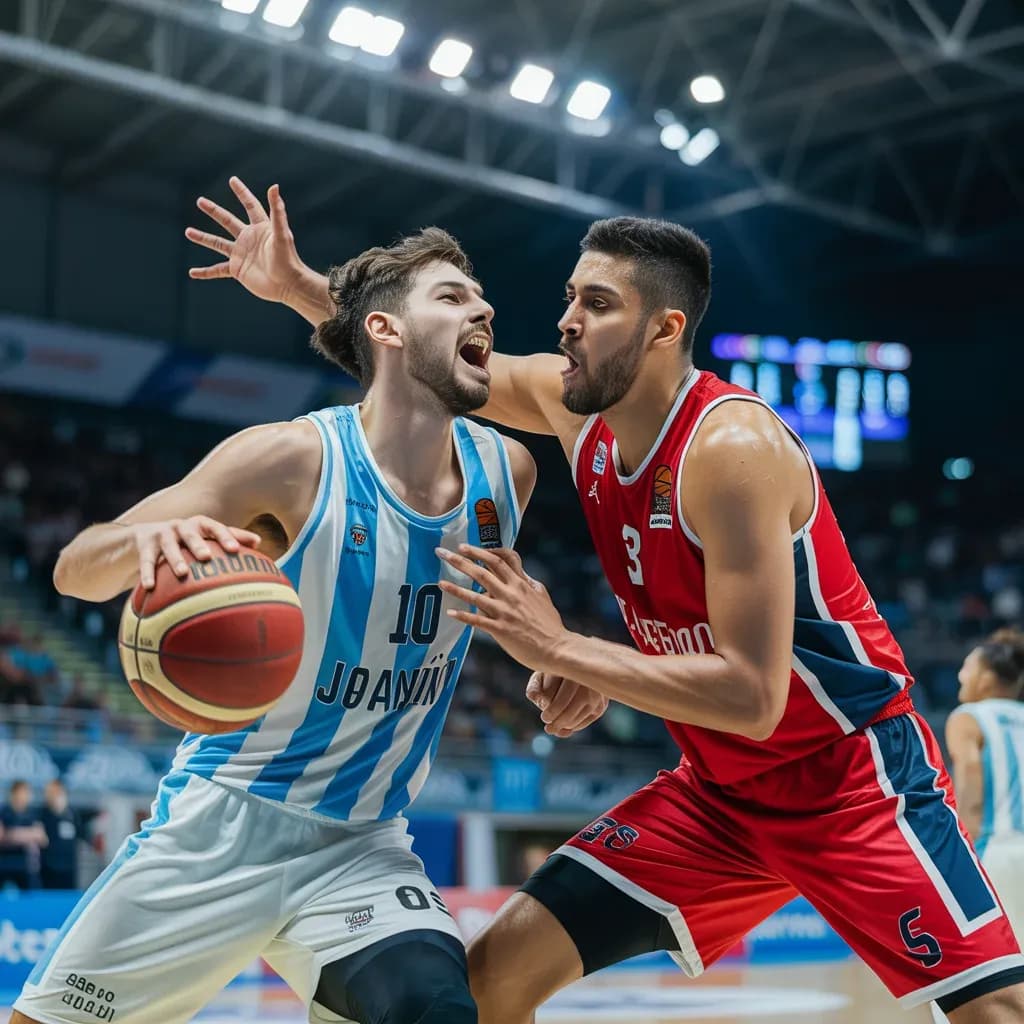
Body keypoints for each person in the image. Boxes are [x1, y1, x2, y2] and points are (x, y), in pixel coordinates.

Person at [202, 177, 1024, 1022]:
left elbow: (751, 695)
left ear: (666, 329)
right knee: (485, 987)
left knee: (992, 1012)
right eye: (569, 298)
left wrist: (562, 649)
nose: (566, 321)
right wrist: (300, 287)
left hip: (848, 783)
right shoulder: (576, 412)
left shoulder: (730, 448)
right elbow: (428, 367)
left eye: (597, 304)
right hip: (716, 797)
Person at [11, 202, 540, 1024]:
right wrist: (154, 535)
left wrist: (554, 658)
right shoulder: (291, 459)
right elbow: (77, 571)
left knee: (435, 1009)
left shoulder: (508, 472)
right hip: (225, 824)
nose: (483, 310)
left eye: (481, 298)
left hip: (363, 845)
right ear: (386, 331)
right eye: (452, 296)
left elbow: (500, 599)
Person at [946, 628, 1024, 941]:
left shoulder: (968, 717)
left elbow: (970, 772)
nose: (961, 675)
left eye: (968, 667)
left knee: (996, 965)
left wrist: (960, 853)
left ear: (987, 678)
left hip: (996, 849)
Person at [0, 780, 46, 891]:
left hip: (25, 863)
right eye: (20, 793)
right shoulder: (3, 812)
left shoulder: (33, 814)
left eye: (26, 793)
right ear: (13, 794)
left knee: (33, 891)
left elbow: (42, 838)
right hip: (4, 862)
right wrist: (30, 834)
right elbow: (2, 836)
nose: (23, 796)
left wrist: (13, 834)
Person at [39, 779, 81, 890]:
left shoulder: (72, 814)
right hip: (49, 867)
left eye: (56, 793)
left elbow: (80, 835)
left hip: (69, 866)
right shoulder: (43, 814)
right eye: (50, 793)